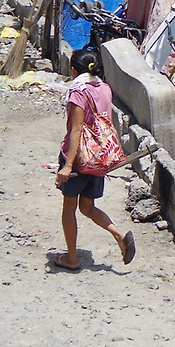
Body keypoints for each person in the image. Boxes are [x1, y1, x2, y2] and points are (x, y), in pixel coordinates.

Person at [53, 49, 135, 271]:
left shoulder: (78, 92)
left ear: (73, 70)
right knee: (88, 207)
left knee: (69, 207)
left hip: (81, 158)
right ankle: (119, 235)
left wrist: (68, 165)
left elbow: (76, 129)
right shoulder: (105, 88)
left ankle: (71, 258)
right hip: (100, 157)